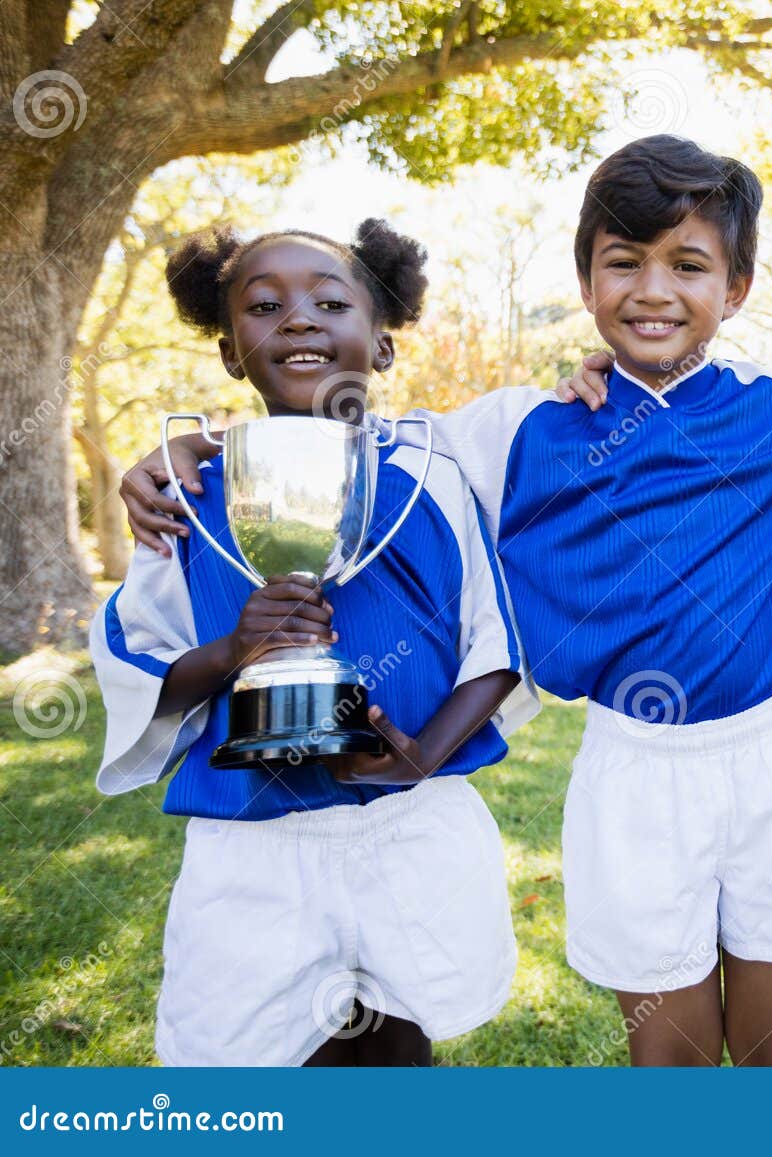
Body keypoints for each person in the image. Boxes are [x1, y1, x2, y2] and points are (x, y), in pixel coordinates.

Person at [122, 137, 772, 1067]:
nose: (653, 290)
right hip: (635, 762)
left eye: (688, 266)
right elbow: (350, 441)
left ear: (735, 289)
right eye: (624, 263)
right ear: (586, 281)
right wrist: (196, 453)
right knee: (669, 1060)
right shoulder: (516, 428)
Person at [91, 220, 534, 1066]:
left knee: (397, 1049)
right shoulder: (184, 495)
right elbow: (137, 663)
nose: (298, 320)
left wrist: (420, 757)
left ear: (384, 343)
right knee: (262, 1061)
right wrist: (231, 651)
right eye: (266, 306)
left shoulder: (433, 471)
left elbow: (494, 640)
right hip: (252, 846)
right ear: (230, 353)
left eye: (330, 302)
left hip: (410, 822)